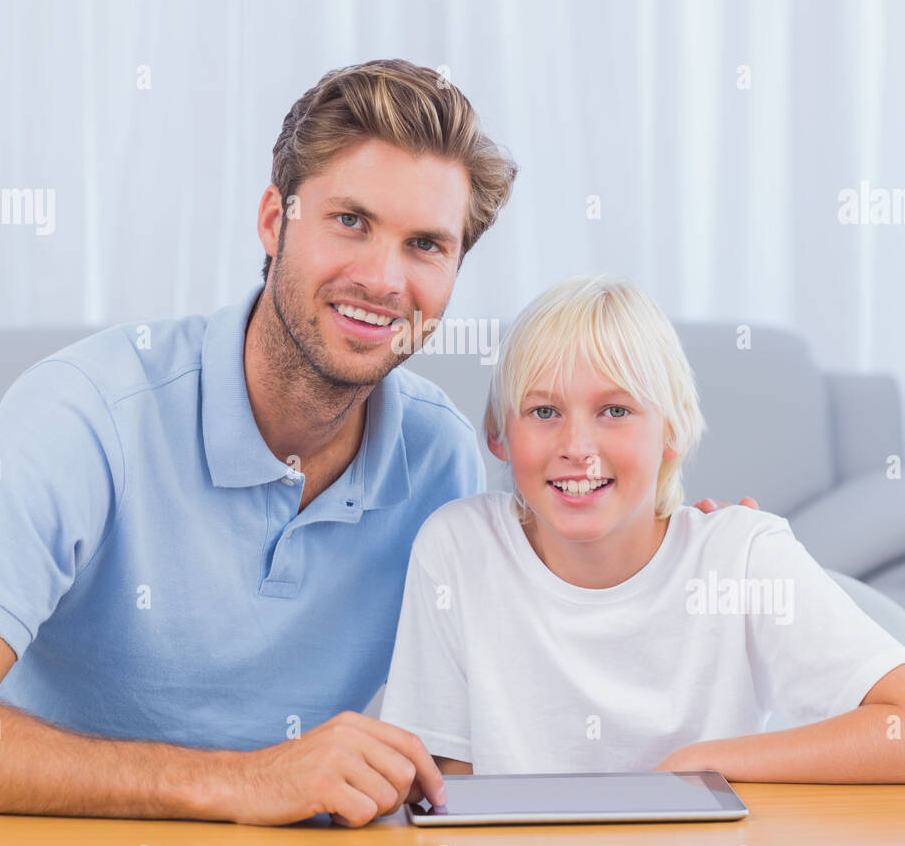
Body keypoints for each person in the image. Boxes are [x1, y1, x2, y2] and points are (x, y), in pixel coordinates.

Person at [0, 61, 755, 830]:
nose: (383, 278)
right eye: (350, 221)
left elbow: (567, 615)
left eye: (425, 244)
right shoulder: (84, 418)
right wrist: (235, 783)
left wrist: (679, 557)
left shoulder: (442, 461)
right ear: (272, 219)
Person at [380, 275, 905, 783]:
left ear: (672, 432)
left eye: (615, 410)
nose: (577, 448)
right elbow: (441, 784)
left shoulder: (741, 557)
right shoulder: (457, 547)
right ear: (498, 435)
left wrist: (703, 763)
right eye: (544, 411)